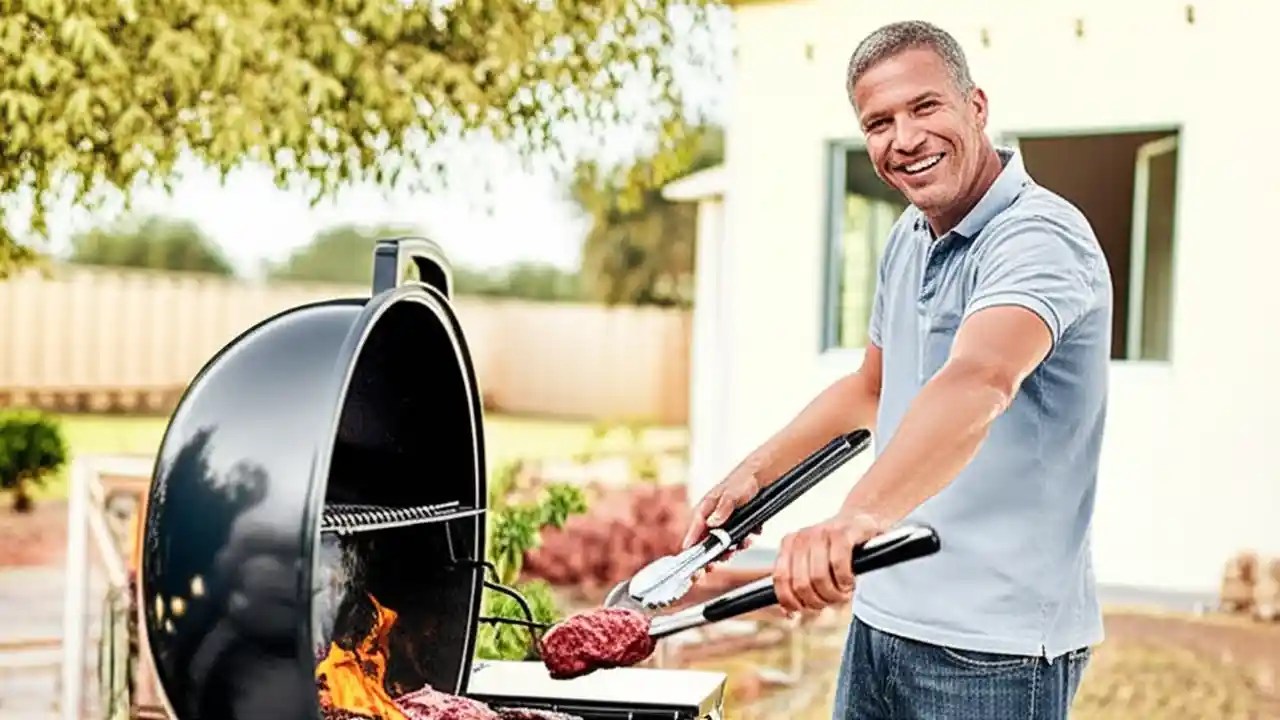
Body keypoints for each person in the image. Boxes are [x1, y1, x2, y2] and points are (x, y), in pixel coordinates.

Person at [680, 19, 1112, 719]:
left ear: (976, 107)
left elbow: (981, 379)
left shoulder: (1040, 237)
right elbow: (871, 389)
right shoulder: (910, 236)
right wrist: (753, 476)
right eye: (878, 122)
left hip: (993, 650)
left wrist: (854, 522)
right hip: (884, 623)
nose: (903, 138)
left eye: (924, 107)